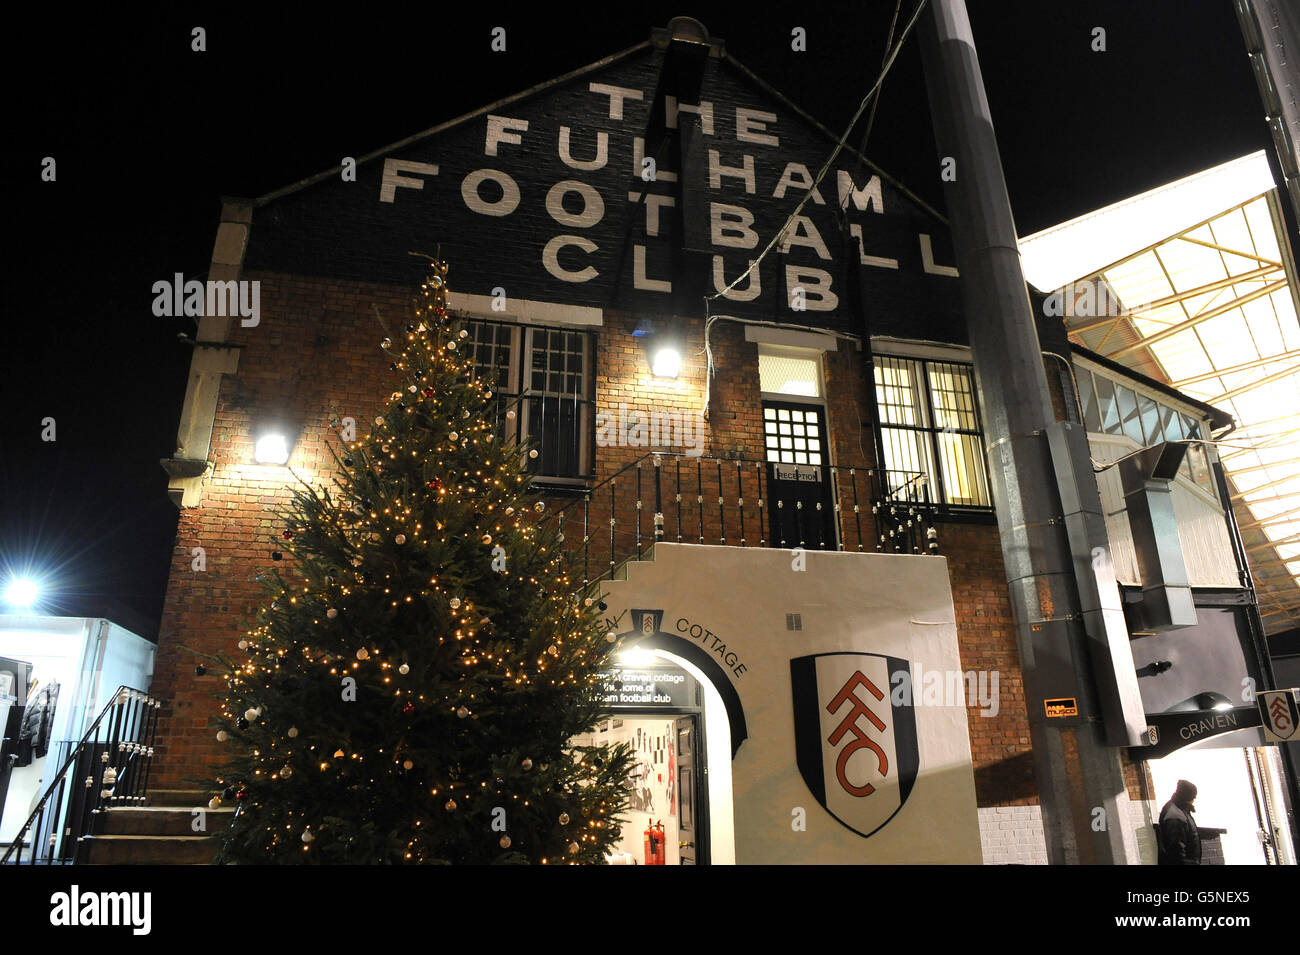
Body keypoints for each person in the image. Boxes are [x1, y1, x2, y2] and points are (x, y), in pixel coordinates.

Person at [1157, 779, 1201, 865]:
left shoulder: (1178, 809)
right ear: (1187, 797)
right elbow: (1176, 854)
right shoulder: (1175, 817)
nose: (1194, 799)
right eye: (1193, 797)